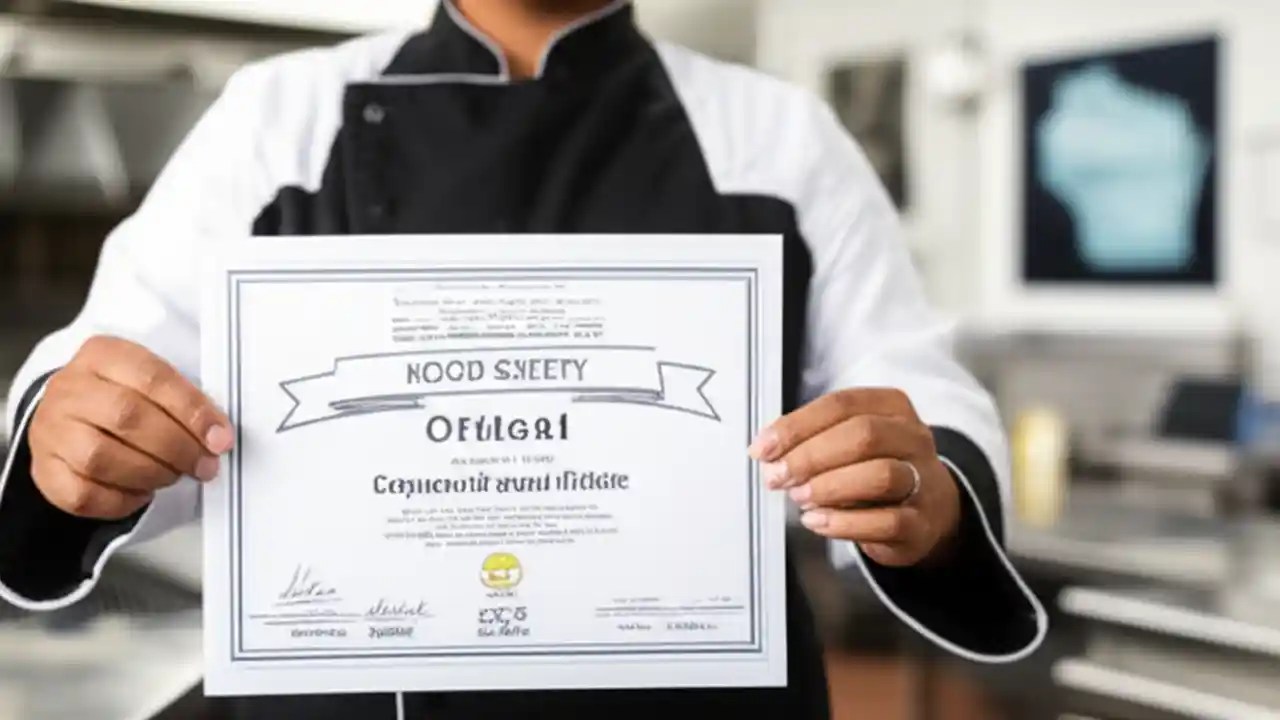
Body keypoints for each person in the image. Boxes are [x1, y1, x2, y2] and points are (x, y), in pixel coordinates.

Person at [0, 1, 1045, 718]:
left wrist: (920, 485)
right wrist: (79, 432)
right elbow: (127, 367)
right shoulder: (273, 122)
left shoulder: (778, 137)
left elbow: (910, 386)